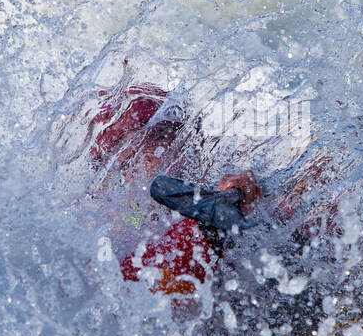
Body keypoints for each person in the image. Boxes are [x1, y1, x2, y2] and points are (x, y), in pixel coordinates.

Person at [87, 84, 262, 305]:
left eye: (179, 145)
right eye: (129, 157)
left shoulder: (139, 209)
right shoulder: (107, 219)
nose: (134, 169)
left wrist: (240, 193)